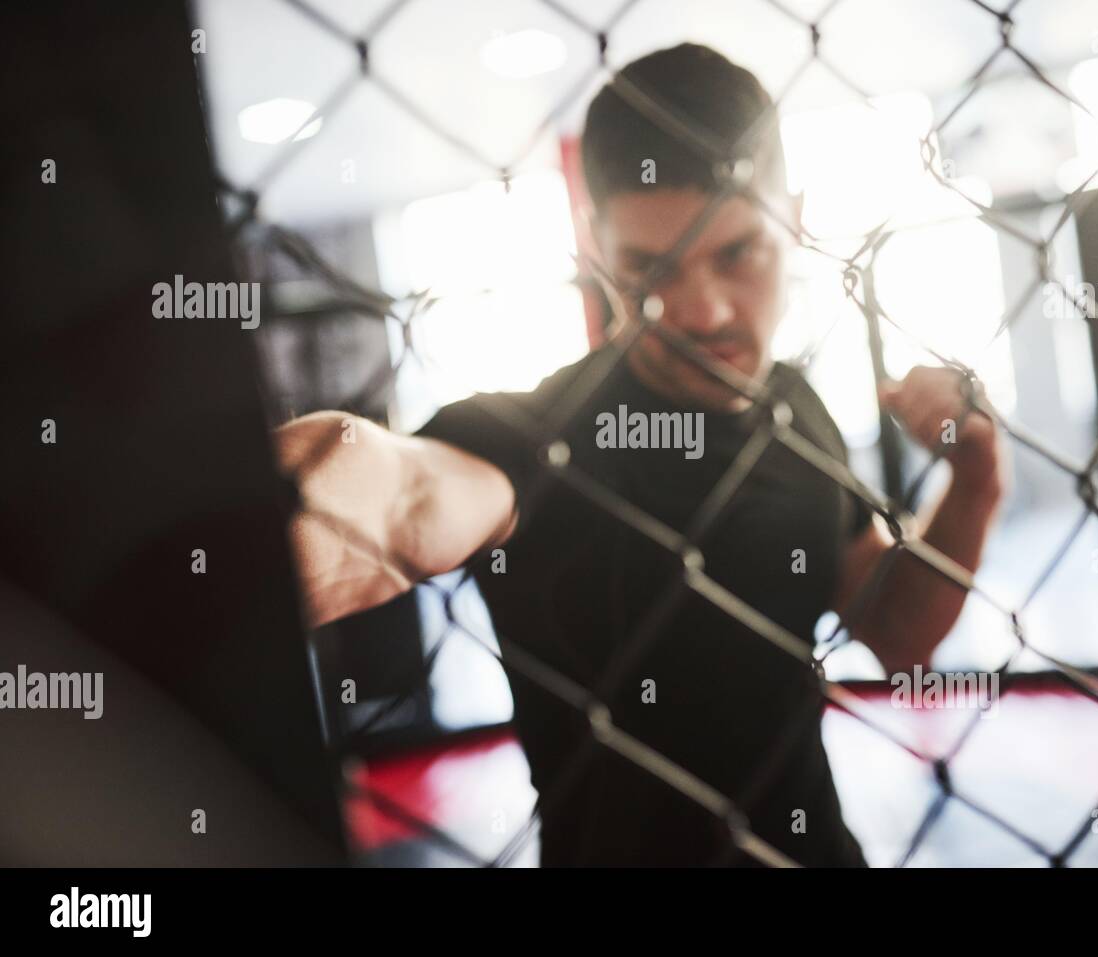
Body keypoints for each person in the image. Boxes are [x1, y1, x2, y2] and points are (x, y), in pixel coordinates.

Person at [275, 43, 1004, 866]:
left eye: (738, 252)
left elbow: (900, 630)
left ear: (794, 218)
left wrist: (976, 478)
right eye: (651, 269)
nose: (702, 310)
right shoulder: (535, 436)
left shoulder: (795, 410)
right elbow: (405, 494)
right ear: (595, 250)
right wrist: (248, 523)